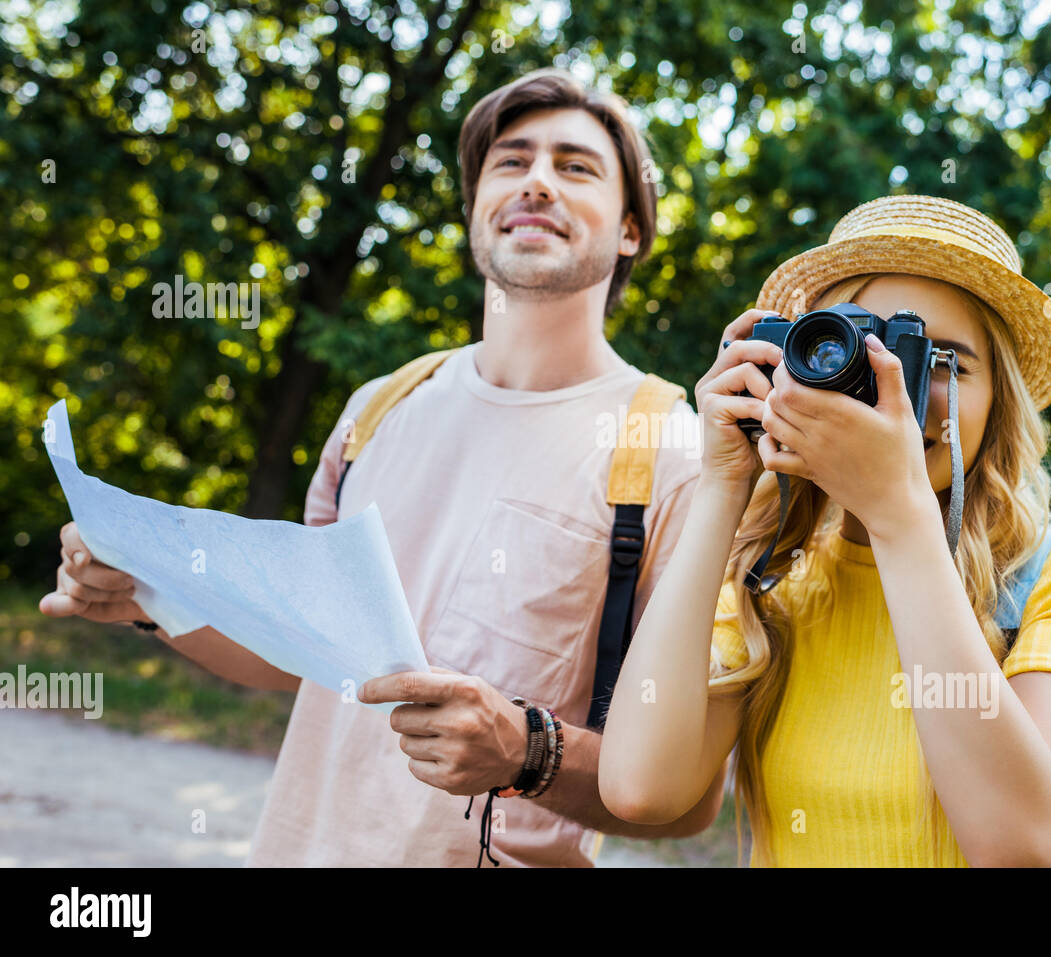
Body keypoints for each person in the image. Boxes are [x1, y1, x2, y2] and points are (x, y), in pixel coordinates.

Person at [39, 67, 717, 867]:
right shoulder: (381, 407)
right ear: (474, 205)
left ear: (631, 229)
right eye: (511, 160)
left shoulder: (674, 453)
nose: (537, 181)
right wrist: (144, 600)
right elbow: (297, 658)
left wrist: (525, 751)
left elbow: (685, 798)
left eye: (575, 166)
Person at [597, 194, 1051, 867]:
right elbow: (640, 788)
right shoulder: (772, 583)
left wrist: (897, 512)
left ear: (998, 403)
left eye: (938, 360)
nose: (892, 387)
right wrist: (722, 486)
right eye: (859, 349)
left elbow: (1017, 842)